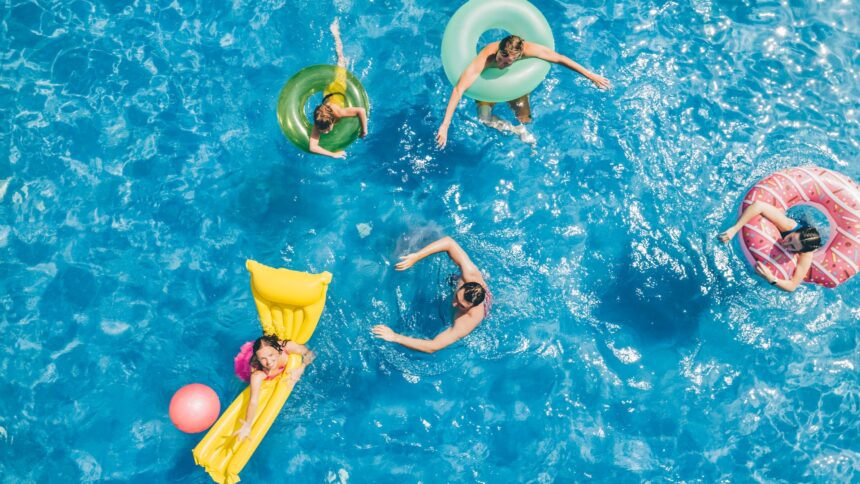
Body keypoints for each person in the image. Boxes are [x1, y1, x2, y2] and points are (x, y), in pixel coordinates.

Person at [435, 34, 610, 148]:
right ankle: (516, 131)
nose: (502, 65)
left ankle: (525, 131)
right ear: (498, 51)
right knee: (484, 118)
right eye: (501, 60)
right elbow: (459, 89)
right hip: (488, 88)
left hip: (513, 85)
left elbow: (559, 58)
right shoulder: (487, 56)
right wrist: (445, 125)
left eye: (508, 63)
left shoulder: (527, 50)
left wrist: (590, 75)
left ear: (518, 56)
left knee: (525, 118)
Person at [372, 236, 492, 353]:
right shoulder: (470, 274)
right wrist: (416, 257)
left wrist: (395, 337)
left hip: (483, 305)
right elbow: (449, 243)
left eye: (461, 305)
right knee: (453, 278)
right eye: (456, 297)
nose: (454, 303)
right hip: (469, 285)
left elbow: (433, 347)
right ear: (464, 285)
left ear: (470, 307)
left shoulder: (467, 321)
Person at [719, 201, 822, 292]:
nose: (786, 244)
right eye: (790, 239)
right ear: (794, 233)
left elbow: (792, 286)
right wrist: (734, 229)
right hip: (801, 223)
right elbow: (758, 205)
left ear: (800, 251)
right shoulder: (788, 226)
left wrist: (771, 278)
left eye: (793, 247)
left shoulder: (806, 255)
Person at [232, 335, 316, 440]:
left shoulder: (286, 347)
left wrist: (301, 368)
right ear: (258, 359)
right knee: (241, 380)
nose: (269, 362)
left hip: (274, 347)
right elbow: (253, 400)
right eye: (263, 359)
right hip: (247, 364)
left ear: (277, 349)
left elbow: (310, 354)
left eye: (271, 355)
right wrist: (247, 425)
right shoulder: (258, 373)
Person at [309, 18, 369, 159]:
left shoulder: (340, 113)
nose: (323, 133)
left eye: (326, 130)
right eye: (322, 131)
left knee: (341, 60)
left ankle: (335, 33)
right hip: (327, 94)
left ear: (331, 121)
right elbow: (312, 147)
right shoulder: (319, 122)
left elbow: (361, 110)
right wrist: (333, 154)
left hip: (338, 87)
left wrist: (364, 130)